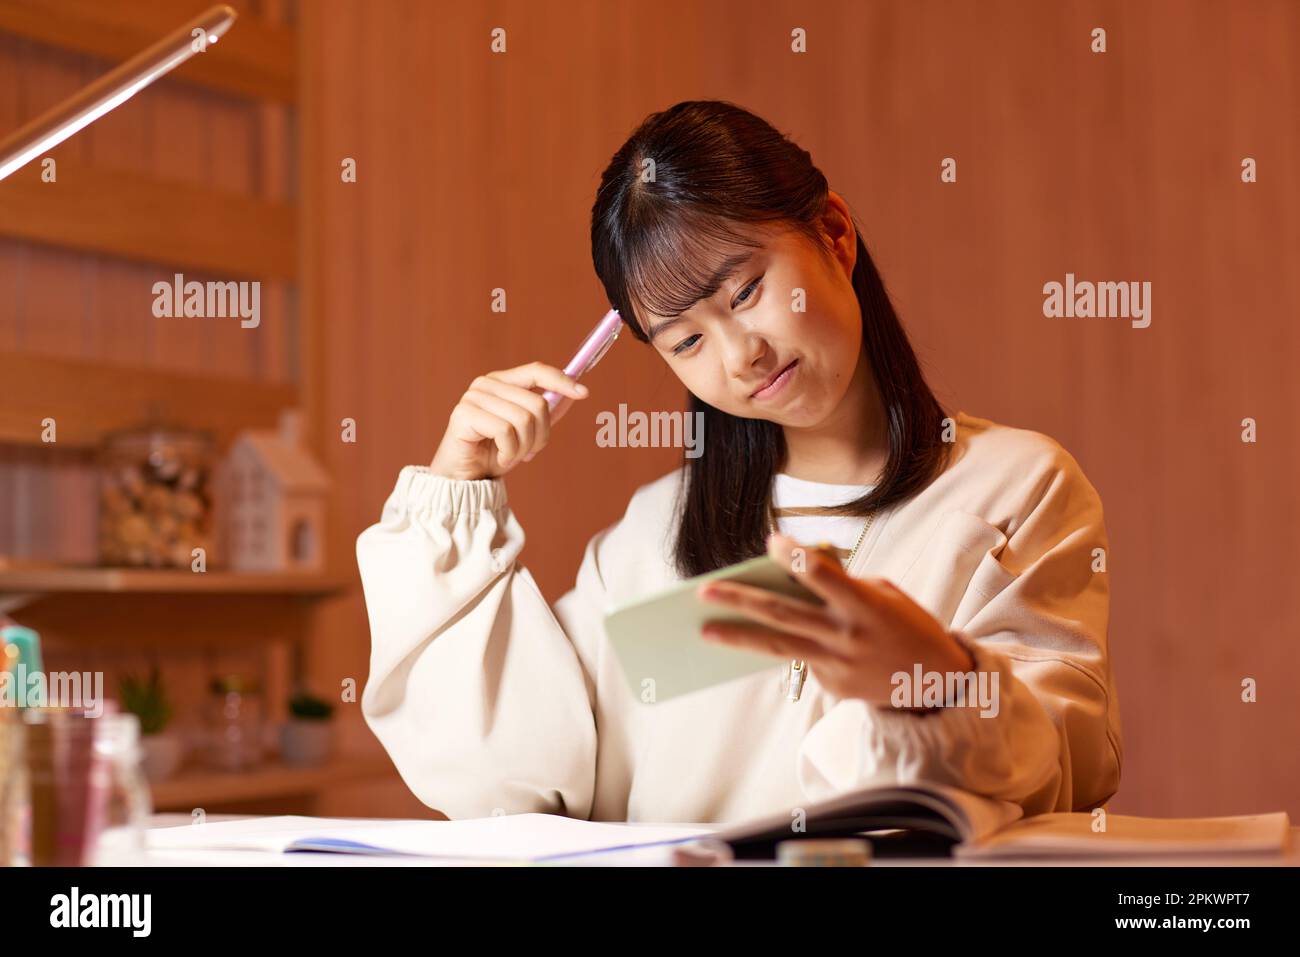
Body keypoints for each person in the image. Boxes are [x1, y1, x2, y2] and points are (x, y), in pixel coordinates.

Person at [356, 100, 1122, 824]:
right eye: (686, 341)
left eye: (748, 291)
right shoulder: (651, 541)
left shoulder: (1014, 490)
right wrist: (456, 494)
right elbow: (516, 782)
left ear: (834, 234)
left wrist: (936, 682)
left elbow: (1061, 762)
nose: (741, 355)